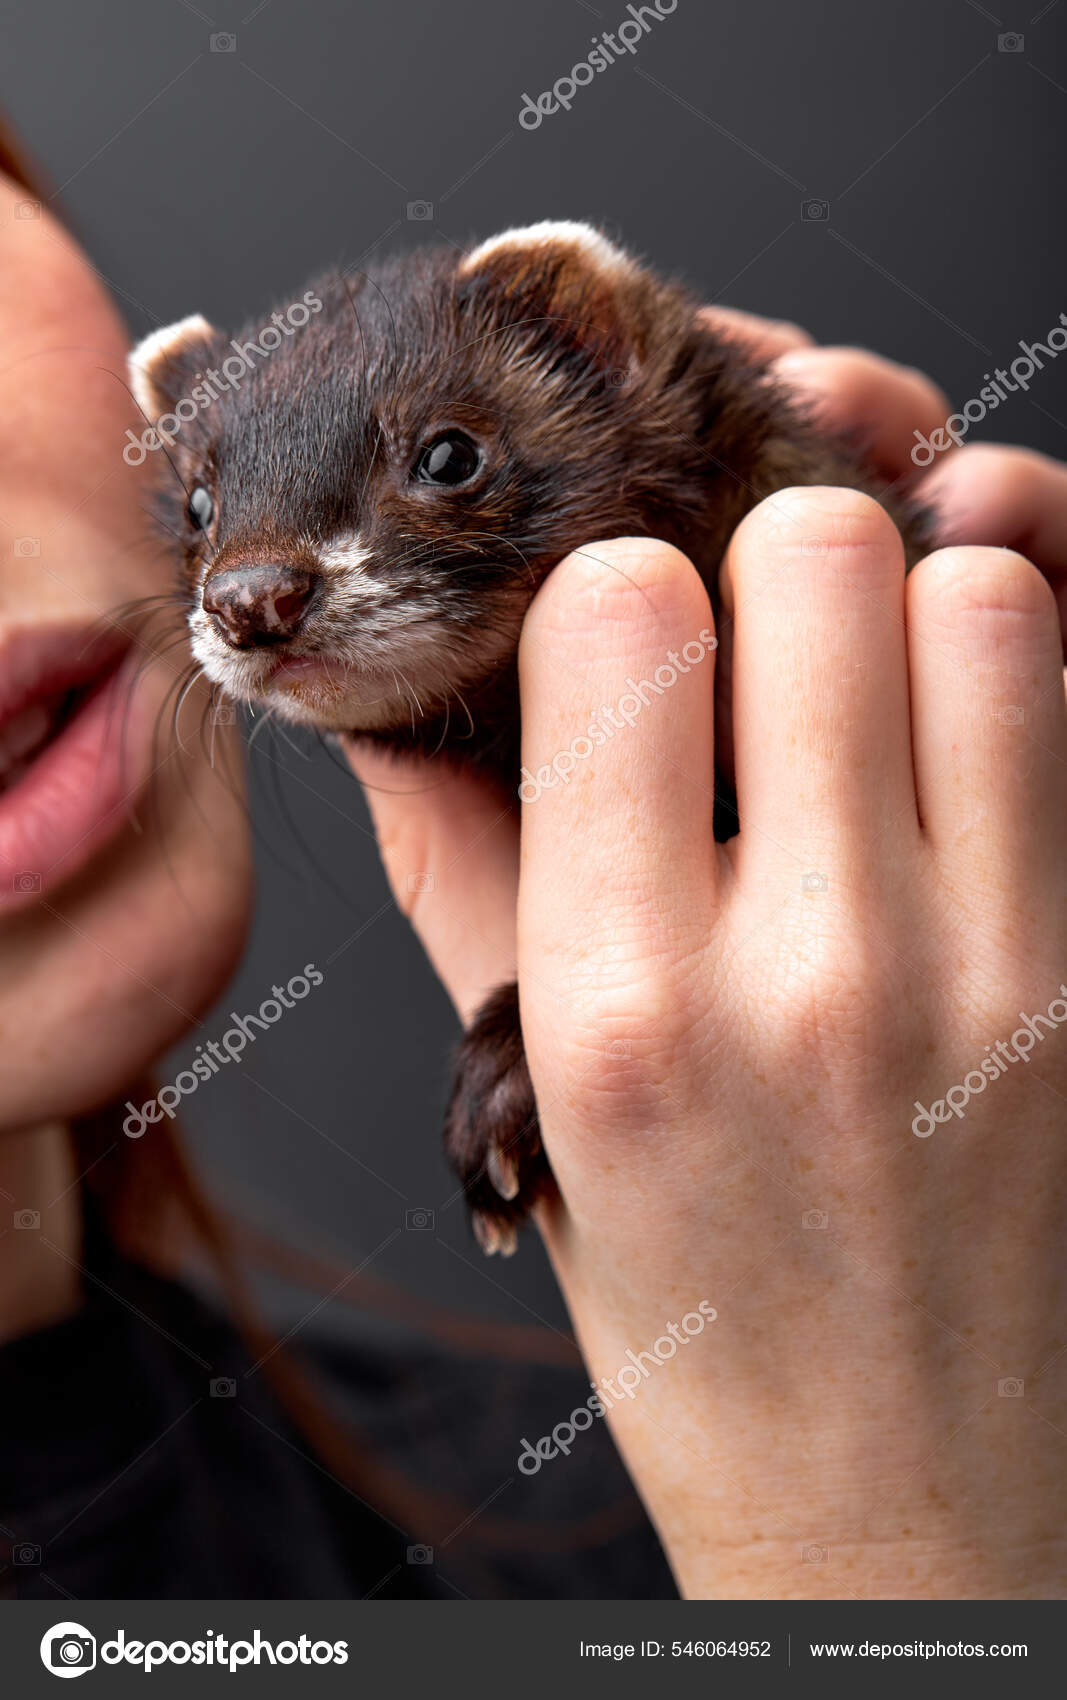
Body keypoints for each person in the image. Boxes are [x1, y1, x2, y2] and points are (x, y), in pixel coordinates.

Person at [3, 156, 1065, 1598]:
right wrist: (888, 1548)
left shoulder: (535, 1511)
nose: (245, 596)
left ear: (597, 345)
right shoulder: (732, 1479)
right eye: (205, 518)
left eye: (445, 464)